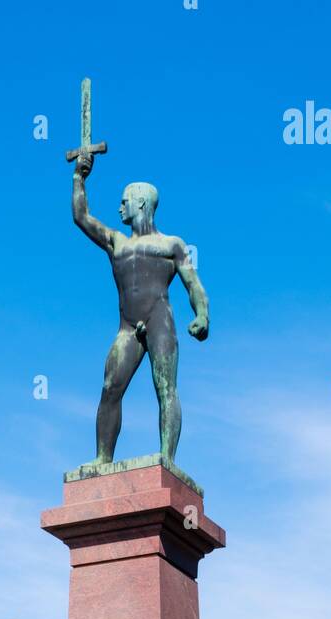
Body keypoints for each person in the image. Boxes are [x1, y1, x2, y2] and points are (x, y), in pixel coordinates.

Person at [72, 152, 209, 468]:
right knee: (110, 388)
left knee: (165, 389)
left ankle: (167, 460)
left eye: (125, 201)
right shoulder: (116, 242)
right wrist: (79, 178)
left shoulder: (171, 244)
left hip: (159, 319)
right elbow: (81, 217)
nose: (120, 207)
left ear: (142, 204)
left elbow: (193, 283)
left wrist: (201, 314)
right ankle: (103, 457)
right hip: (128, 327)